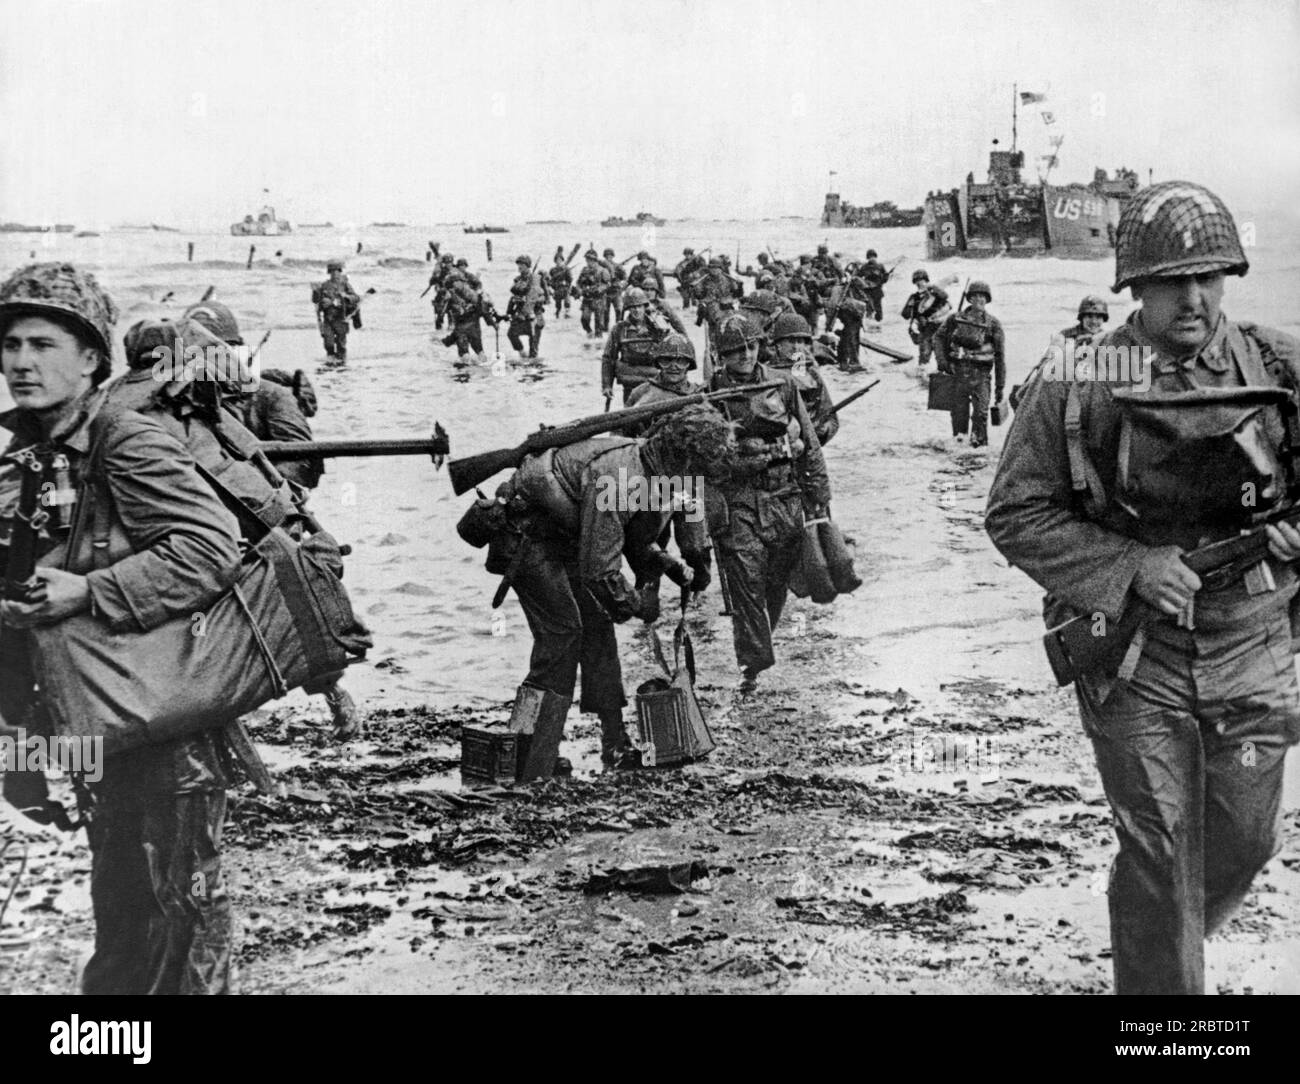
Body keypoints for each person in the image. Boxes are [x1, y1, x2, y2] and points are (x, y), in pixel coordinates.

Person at [985, 180, 1300, 996]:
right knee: (1162, 850)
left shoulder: (1279, 366)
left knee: (1245, 840)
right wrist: (1133, 567)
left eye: (1209, 277)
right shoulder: (1082, 376)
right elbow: (1016, 512)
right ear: (1135, 286)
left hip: (1253, 640)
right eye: (1170, 281)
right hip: (1137, 653)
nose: (1192, 298)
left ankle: (1152, 935)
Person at [0, 262, 243, 994]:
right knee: (121, 910)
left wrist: (91, 590)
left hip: (166, 721)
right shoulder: (29, 456)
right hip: (92, 722)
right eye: (10, 345)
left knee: (186, 913)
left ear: (92, 359)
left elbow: (210, 549)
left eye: (42, 344)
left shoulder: (126, 440)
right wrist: (20, 743)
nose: (20, 362)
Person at [493, 405, 734, 767]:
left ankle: (614, 744)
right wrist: (637, 604)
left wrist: (670, 566)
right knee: (562, 635)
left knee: (599, 634)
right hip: (526, 536)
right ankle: (529, 754)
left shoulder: (659, 469)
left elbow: (634, 537)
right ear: (682, 459)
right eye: (697, 471)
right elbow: (600, 572)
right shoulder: (622, 478)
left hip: (571, 538)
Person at [172, 303, 361, 739]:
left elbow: (304, 464)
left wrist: (257, 487)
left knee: (303, 619)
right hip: (208, 530)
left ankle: (338, 705)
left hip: (267, 525)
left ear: (235, 351)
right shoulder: (180, 407)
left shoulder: (270, 397)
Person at [708, 317, 830, 690]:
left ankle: (760, 641)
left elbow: (808, 443)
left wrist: (820, 497)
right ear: (720, 355)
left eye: (750, 347)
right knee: (746, 579)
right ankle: (753, 663)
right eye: (734, 351)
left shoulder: (784, 382)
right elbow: (709, 455)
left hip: (785, 495)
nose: (744, 356)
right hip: (740, 499)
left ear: (760, 346)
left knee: (777, 579)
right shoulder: (709, 393)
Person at [932, 280, 1005, 448]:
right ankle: (959, 454)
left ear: (987, 300)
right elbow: (938, 337)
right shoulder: (954, 319)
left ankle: (978, 451)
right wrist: (942, 361)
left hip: (981, 375)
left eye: (983, 297)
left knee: (981, 415)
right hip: (958, 373)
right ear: (969, 299)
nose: (979, 300)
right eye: (975, 296)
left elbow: (1000, 357)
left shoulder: (993, 324)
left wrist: (1000, 388)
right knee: (959, 416)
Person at [1011, 295, 1111, 410]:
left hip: (1090, 385)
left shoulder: (1106, 338)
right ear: (1082, 317)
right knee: (1026, 395)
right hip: (1064, 383)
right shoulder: (1065, 335)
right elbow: (1047, 363)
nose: (1094, 321)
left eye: (1098, 317)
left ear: (1103, 319)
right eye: (1089, 316)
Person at [768, 312, 839, 446]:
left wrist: (823, 431)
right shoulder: (766, 374)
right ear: (778, 344)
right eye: (790, 341)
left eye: (800, 341)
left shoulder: (811, 374)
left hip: (809, 444)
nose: (796, 347)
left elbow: (831, 417)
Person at [601, 287, 669, 406]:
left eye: (639, 306)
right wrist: (607, 385)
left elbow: (669, 354)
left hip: (654, 383)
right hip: (630, 384)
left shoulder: (657, 327)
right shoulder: (619, 329)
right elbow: (608, 358)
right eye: (633, 307)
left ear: (644, 307)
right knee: (630, 417)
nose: (636, 310)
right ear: (628, 309)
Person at [311, 259, 361, 361]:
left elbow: (356, 298)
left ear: (340, 272)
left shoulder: (345, 285)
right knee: (328, 343)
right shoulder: (324, 285)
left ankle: (340, 363)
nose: (335, 274)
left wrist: (343, 298)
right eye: (332, 271)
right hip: (328, 319)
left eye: (337, 271)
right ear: (329, 273)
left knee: (341, 345)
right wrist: (315, 292)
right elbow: (316, 302)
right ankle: (331, 359)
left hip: (341, 318)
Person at [900, 270, 952, 369]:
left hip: (939, 329)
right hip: (925, 330)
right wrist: (911, 307)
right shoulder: (914, 297)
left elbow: (947, 301)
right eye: (917, 281)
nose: (919, 283)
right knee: (924, 360)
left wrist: (933, 289)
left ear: (926, 280)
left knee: (942, 357)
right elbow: (905, 315)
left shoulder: (936, 293)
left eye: (922, 280)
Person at [443, 278, 497, 362]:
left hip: (469, 327)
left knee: (472, 354)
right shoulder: (455, 295)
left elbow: (483, 310)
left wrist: (492, 323)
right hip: (469, 327)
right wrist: (492, 323)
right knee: (477, 353)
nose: (454, 285)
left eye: (456, 282)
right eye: (453, 284)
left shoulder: (472, 295)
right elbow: (484, 311)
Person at [505, 254, 549, 360]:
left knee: (533, 347)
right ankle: (522, 354)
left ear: (527, 266)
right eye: (518, 264)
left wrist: (536, 300)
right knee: (511, 334)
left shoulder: (537, 279)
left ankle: (534, 369)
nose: (519, 266)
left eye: (522, 264)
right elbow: (513, 297)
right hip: (521, 314)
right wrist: (510, 311)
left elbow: (546, 299)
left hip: (535, 314)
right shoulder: (517, 280)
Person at [576, 250, 611, 337]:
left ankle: (598, 344)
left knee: (599, 323)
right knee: (584, 319)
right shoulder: (584, 270)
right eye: (587, 260)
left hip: (599, 299)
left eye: (590, 260)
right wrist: (579, 290)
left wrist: (600, 289)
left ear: (595, 260)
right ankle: (589, 332)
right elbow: (578, 283)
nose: (588, 262)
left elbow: (607, 284)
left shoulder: (603, 270)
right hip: (587, 299)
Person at [601, 247, 627, 329]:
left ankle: (618, 328)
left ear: (613, 256)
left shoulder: (617, 266)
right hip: (606, 292)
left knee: (619, 310)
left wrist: (621, 284)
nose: (609, 257)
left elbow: (625, 277)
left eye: (610, 256)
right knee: (605, 311)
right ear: (605, 257)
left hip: (616, 292)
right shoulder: (601, 267)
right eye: (607, 256)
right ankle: (605, 327)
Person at [859, 249, 889, 322]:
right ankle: (871, 324)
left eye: (873, 257)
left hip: (875, 290)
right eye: (870, 257)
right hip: (869, 290)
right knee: (870, 308)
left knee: (877, 309)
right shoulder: (865, 267)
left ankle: (877, 324)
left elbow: (885, 278)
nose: (872, 258)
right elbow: (858, 277)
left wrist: (883, 279)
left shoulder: (880, 266)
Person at [548, 254, 573, 319]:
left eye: (560, 260)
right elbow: (550, 280)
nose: (558, 261)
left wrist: (566, 283)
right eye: (557, 260)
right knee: (557, 302)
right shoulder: (552, 270)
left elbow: (570, 279)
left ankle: (567, 312)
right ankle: (557, 311)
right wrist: (552, 285)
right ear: (555, 261)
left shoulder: (566, 269)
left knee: (567, 300)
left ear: (562, 260)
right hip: (557, 288)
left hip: (565, 287)